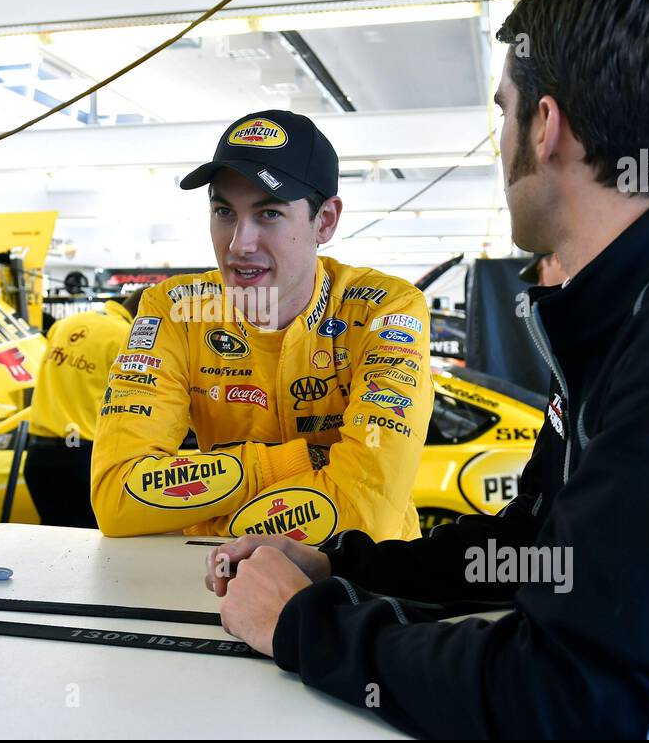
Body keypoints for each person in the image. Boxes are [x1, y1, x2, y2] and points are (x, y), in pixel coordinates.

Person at [206, 0, 649, 738]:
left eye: (504, 110)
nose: (501, 142)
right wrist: (344, 565)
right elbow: (534, 545)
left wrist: (303, 625)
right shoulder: (648, 306)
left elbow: (567, 698)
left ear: (546, 126)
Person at [91, 110, 433, 543]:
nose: (239, 244)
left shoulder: (385, 308)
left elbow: (364, 518)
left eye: (268, 213)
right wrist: (300, 462)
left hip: (357, 590)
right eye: (223, 212)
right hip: (215, 584)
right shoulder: (176, 309)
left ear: (324, 220)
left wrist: (211, 521)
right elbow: (116, 499)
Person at [24, 289, 144, 528]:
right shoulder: (128, 336)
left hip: (38, 459)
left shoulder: (67, 323)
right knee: (88, 550)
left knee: (54, 547)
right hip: (82, 462)